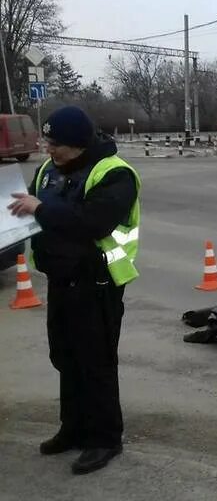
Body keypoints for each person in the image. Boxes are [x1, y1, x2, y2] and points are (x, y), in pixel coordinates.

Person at [7, 106, 140, 475]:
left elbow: (92, 222)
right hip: (61, 280)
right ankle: (73, 428)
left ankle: (104, 439)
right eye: (47, 141)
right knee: (65, 357)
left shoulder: (115, 174)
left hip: (98, 283)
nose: (48, 149)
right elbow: (30, 208)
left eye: (56, 144)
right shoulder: (49, 171)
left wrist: (40, 207)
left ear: (78, 145)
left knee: (96, 363)